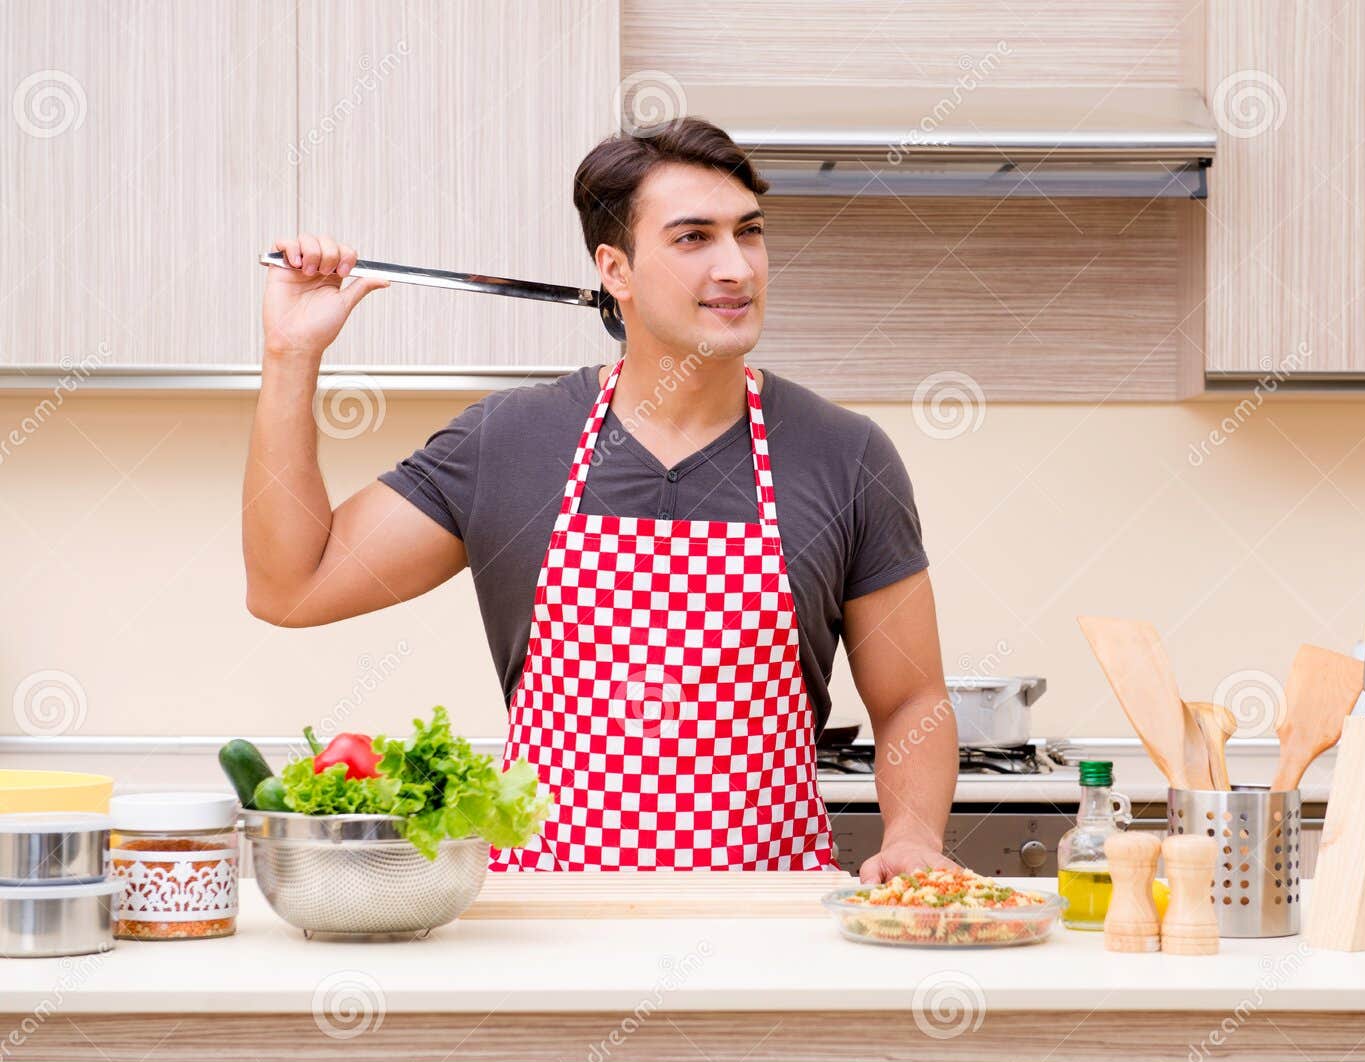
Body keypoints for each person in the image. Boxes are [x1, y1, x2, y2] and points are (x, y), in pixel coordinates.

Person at [244, 117, 958, 880]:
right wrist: (292, 354)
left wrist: (914, 838)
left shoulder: (845, 454)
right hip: (547, 928)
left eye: (747, 233)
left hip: (765, 925)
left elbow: (912, 698)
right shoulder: (511, 441)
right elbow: (293, 586)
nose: (736, 268)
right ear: (615, 269)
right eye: (693, 239)